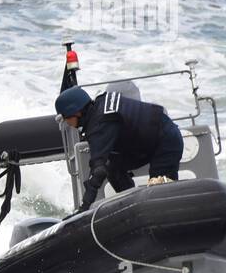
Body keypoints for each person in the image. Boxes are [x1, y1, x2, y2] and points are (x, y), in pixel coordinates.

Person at [55, 86, 185, 213]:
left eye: (66, 118)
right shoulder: (100, 104)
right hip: (146, 141)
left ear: (77, 112)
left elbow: (98, 171)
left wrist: (85, 206)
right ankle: (131, 203)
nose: (67, 123)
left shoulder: (99, 125)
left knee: (160, 191)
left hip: (166, 141)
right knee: (112, 168)